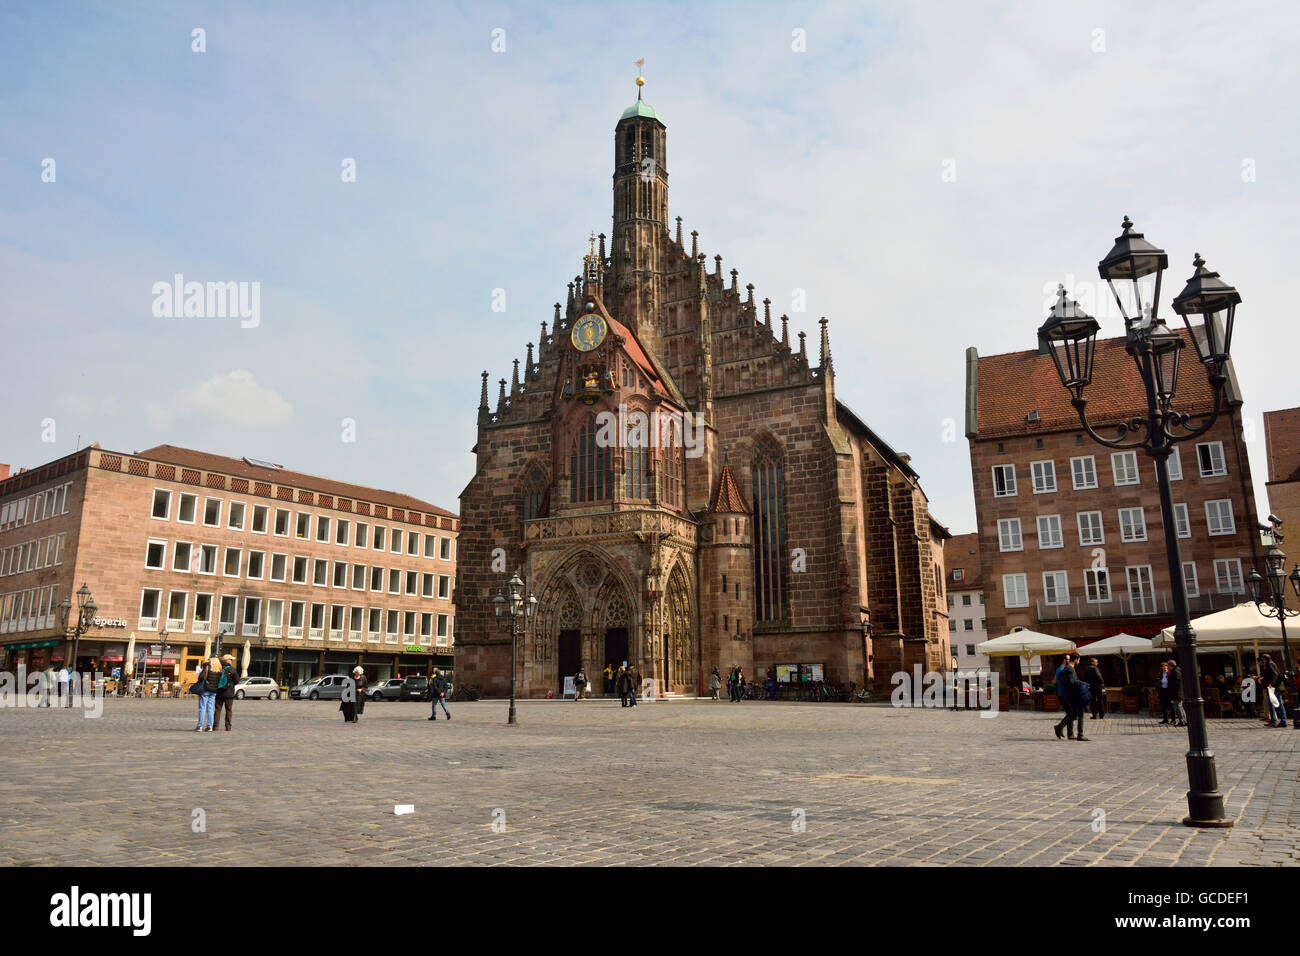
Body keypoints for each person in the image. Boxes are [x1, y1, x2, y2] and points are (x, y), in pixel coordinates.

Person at [1053, 654, 1086, 741]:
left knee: (1071, 714)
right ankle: (1061, 728)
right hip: (1067, 695)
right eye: (1067, 659)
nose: (1068, 660)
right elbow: (1070, 683)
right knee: (1074, 714)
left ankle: (1069, 733)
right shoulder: (1066, 669)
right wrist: (1079, 685)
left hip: (1065, 694)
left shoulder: (1063, 669)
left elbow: (1055, 681)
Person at [211, 654, 239, 731]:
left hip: (219, 692)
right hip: (229, 693)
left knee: (217, 709)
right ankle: (228, 726)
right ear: (227, 660)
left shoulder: (218, 668)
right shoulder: (232, 669)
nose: (232, 661)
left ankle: (215, 726)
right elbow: (237, 681)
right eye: (231, 659)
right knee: (228, 710)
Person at [1261, 654, 1288, 728]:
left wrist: (1271, 684)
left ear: (1264, 659)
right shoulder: (1271, 663)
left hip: (1274, 687)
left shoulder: (1270, 664)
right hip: (1275, 687)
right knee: (1276, 703)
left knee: (1274, 703)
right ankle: (1278, 720)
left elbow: (1274, 674)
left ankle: (1279, 720)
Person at [195, 657, 222, 731]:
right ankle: (210, 726)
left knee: (202, 708)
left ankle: (200, 726)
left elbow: (201, 677)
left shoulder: (207, 667)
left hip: (206, 689)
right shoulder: (219, 670)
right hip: (214, 691)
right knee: (210, 708)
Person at [1166, 659, 1187, 728]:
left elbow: (1178, 683)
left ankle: (1182, 721)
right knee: (1179, 707)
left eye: (1168, 665)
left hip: (1177, 693)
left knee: (1178, 707)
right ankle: (1184, 720)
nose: (1167, 667)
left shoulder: (1176, 671)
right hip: (1177, 693)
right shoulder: (1176, 670)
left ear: (1170, 665)